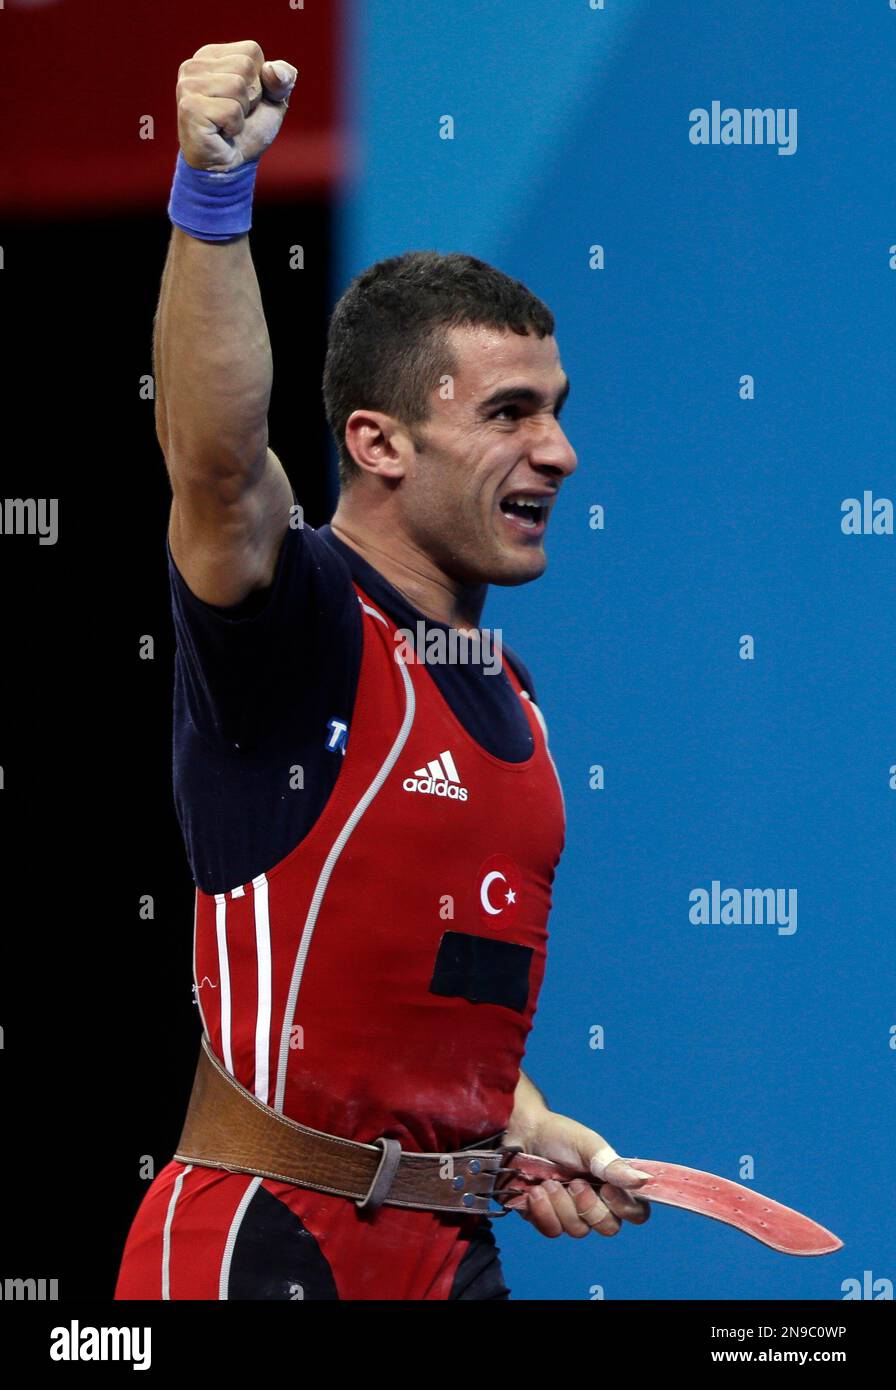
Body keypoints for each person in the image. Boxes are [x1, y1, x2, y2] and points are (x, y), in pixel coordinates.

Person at [114, 38, 651, 1302]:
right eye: (509, 412)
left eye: (557, 405)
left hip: (450, 1256)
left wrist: (518, 1115)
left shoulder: (501, 690)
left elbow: (421, 983)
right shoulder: (293, 625)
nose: (559, 450)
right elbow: (218, 461)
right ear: (377, 442)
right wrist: (211, 197)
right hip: (262, 1248)